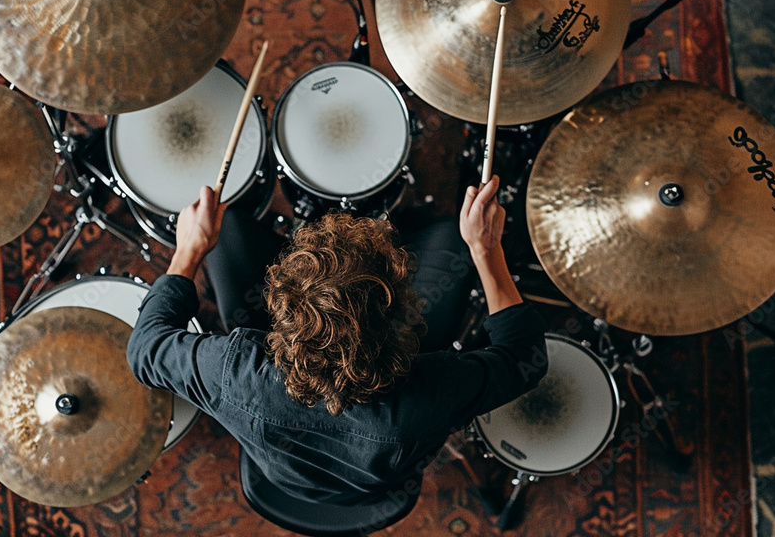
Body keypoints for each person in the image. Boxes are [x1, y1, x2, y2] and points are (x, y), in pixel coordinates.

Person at [126, 176, 547, 506]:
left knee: (228, 223)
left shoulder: (235, 372)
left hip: (285, 473)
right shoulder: (431, 391)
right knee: (451, 238)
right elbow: (524, 355)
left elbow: (144, 349)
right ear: (401, 310)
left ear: (282, 307)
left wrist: (189, 250)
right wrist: (485, 249)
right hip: (379, 469)